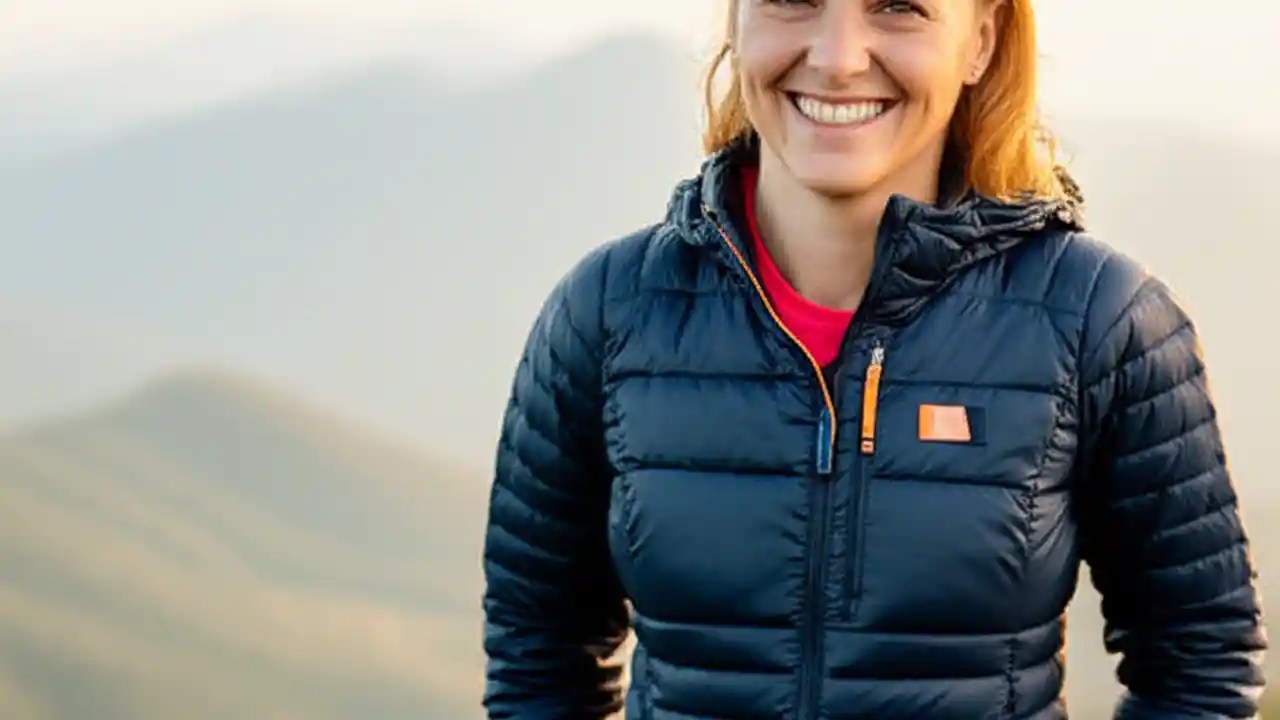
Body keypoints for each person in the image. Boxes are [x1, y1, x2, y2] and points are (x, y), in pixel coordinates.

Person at [480, 0, 1268, 718]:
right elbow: (536, 654)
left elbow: (1199, 661)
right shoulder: (608, 312)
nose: (839, 56)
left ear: (981, 41)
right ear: (736, 21)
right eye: (794, 1)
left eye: (898, 8)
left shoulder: (1102, 323)